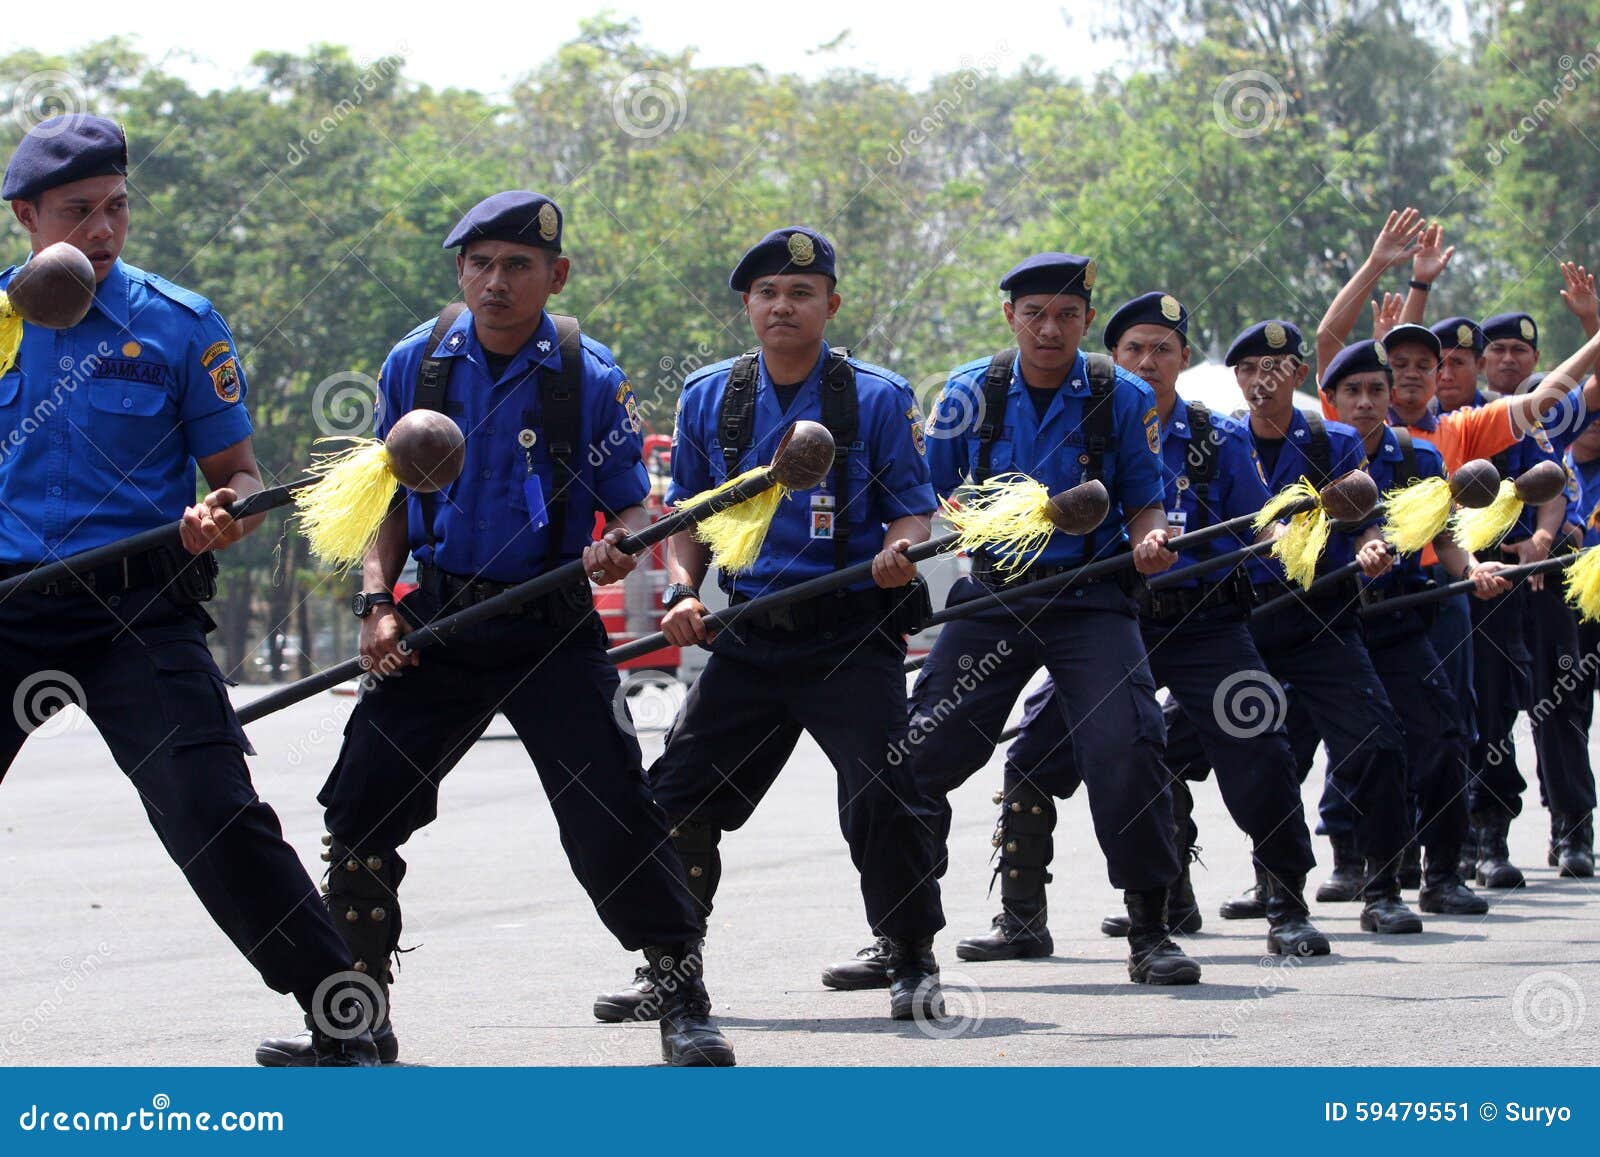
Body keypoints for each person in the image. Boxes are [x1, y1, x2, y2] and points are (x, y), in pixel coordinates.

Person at [254, 191, 734, 1068]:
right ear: (460, 272)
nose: (497, 282)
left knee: (613, 814)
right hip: (441, 613)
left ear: (556, 275)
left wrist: (626, 544)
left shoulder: (589, 376)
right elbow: (384, 497)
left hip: (550, 620)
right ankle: (354, 1019)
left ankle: (682, 1000)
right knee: (359, 807)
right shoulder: (416, 364)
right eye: (480, 264)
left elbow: (629, 496)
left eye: (518, 266)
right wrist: (378, 601)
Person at [2, 114, 376, 1065]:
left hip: (139, 606)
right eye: (77, 212)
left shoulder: (179, 323)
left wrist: (227, 511)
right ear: (24, 216)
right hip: (10, 602)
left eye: (116, 208)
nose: (102, 230)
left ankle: (346, 1016)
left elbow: (241, 475)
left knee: (211, 809)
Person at [592, 226, 948, 1025]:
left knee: (886, 793)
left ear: (831, 303)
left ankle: (911, 956)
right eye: (767, 293)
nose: (783, 305)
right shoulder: (711, 396)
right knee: (677, 796)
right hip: (748, 635)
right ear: (749, 306)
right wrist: (685, 588)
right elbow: (687, 513)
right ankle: (673, 970)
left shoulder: (877, 397)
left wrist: (899, 552)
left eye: (801, 292)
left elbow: (912, 510)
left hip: (850, 633)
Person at [824, 254, 1201, 987]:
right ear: (1010, 317)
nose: (1050, 328)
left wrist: (1148, 540)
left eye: (1066, 315)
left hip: (1091, 596)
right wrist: (905, 548)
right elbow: (919, 497)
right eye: (1035, 313)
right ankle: (900, 934)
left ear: (1088, 322)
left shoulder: (1119, 395)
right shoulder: (969, 394)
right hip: (995, 593)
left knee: (1127, 744)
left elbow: (1144, 500)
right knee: (917, 753)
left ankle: (1151, 929)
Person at [949, 292, 1327, 961]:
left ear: (1183, 357)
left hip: (1202, 623)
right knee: (1034, 758)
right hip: (1106, 617)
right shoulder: (1077, 420)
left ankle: (1286, 903)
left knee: (1259, 735)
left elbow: (1259, 517)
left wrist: (1282, 542)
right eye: (1134, 349)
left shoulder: (1220, 437)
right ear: (1114, 357)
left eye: (1162, 349)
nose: (1148, 361)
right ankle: (1023, 919)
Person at [1218, 320, 1423, 933]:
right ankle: (1213, 889)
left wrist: (1371, 546)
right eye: (1251, 368)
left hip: (1323, 624)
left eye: (1276, 369)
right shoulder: (1219, 443)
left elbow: (1368, 519)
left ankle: (1382, 887)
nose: (1263, 379)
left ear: (1300, 377)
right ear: (1237, 377)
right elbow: (1229, 521)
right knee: (1217, 750)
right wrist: (1264, 533)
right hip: (1245, 626)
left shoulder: (1332, 442)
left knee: (1379, 742)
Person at [1319, 338, 1510, 913]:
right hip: (1327, 625)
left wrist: (1474, 568)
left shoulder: (1418, 459)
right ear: (1332, 398)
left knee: (1445, 736)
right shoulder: (1316, 453)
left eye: (1376, 389)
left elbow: (1447, 538)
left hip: (1399, 622)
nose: (1365, 402)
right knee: (1294, 745)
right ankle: (1329, 867)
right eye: (1352, 391)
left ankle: (1441, 874)